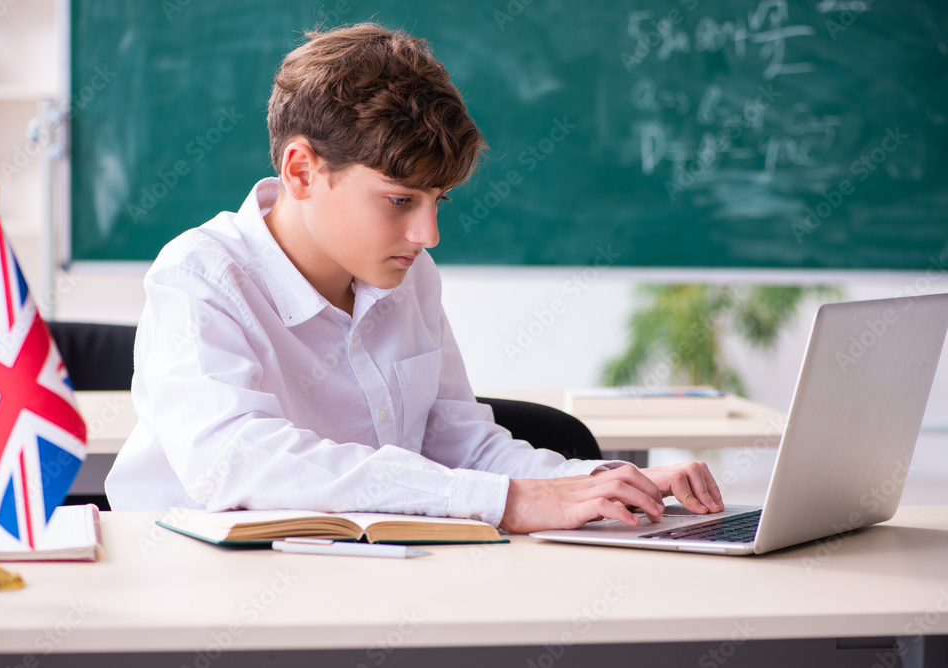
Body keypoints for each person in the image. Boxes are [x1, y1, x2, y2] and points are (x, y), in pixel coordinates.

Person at [105, 22, 723, 532]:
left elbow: (460, 443)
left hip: (373, 573)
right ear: (301, 171)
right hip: (204, 591)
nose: (428, 236)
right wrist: (508, 500)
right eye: (400, 201)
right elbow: (237, 464)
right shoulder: (200, 276)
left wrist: (598, 484)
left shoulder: (409, 275)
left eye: (439, 201)